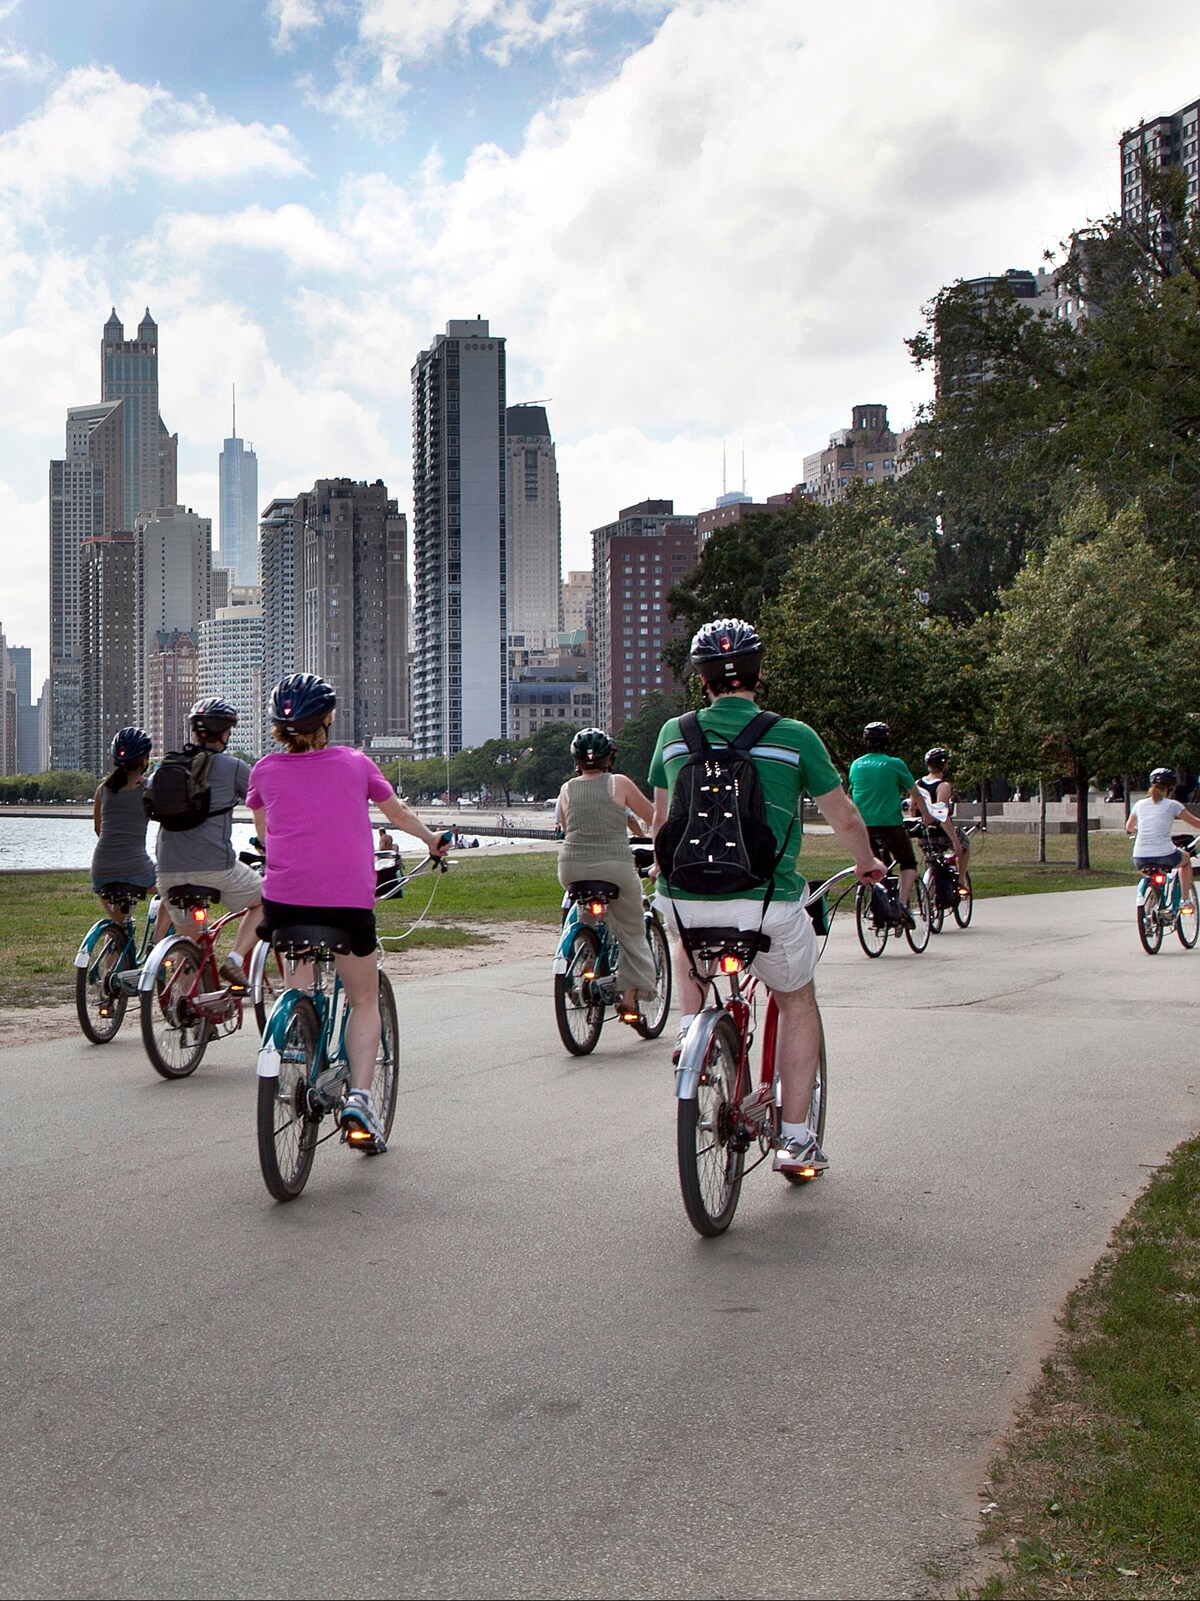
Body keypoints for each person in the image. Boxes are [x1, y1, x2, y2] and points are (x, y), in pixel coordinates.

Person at [649, 619, 884, 1176]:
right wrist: (865, 863)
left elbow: (662, 823)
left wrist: (670, 882)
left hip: (686, 898)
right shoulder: (795, 736)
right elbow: (846, 817)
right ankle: (796, 1139)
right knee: (798, 999)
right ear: (758, 673)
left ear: (701, 681)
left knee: (686, 937)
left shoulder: (673, 734)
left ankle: (689, 1029)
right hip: (767, 903)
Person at [248, 673, 450, 1152]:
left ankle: (297, 1028)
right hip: (347, 905)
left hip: (284, 901)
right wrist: (431, 841)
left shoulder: (264, 770)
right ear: (330, 720)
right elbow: (396, 814)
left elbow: (264, 832)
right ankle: (359, 1096)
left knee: (296, 948)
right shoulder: (356, 764)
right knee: (363, 998)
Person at [155, 697, 263, 989]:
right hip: (216, 867)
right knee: (268, 898)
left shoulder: (169, 764)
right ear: (225, 732)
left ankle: (185, 1005)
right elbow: (265, 801)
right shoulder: (234, 767)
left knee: (189, 940)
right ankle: (236, 959)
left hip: (167, 870)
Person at [555, 727, 659, 1026]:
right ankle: (628, 997)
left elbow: (565, 825)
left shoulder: (567, 789)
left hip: (572, 867)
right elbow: (653, 817)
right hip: (615, 866)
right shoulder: (619, 784)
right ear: (609, 758)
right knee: (632, 929)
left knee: (585, 912)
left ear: (576, 760)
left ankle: (586, 955)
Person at [847, 722, 936, 928]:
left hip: (864, 826)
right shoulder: (895, 764)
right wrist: (926, 814)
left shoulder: (856, 765)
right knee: (907, 862)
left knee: (875, 865)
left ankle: (879, 904)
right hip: (889, 824)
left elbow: (852, 793)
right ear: (887, 741)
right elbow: (915, 793)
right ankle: (901, 906)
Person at [90, 727, 169, 937]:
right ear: (145, 759)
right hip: (136, 867)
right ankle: (157, 944)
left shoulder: (102, 789)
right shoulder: (147, 789)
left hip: (100, 870)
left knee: (120, 928)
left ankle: (112, 963)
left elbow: (98, 829)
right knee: (175, 889)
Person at [1126, 767, 1200, 908]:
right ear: (1169, 789)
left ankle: (1149, 912)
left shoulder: (1139, 805)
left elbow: (1129, 827)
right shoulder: (1173, 805)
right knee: (1185, 860)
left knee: (1152, 878)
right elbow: (1196, 823)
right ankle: (1185, 901)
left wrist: (1139, 831)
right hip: (1165, 854)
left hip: (1139, 857)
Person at [914, 746, 969, 879]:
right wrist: (955, 842)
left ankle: (929, 894)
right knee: (964, 844)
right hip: (939, 833)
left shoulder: (917, 784)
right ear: (944, 765)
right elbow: (941, 814)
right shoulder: (943, 786)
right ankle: (961, 880)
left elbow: (912, 809)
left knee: (933, 864)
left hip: (924, 835)